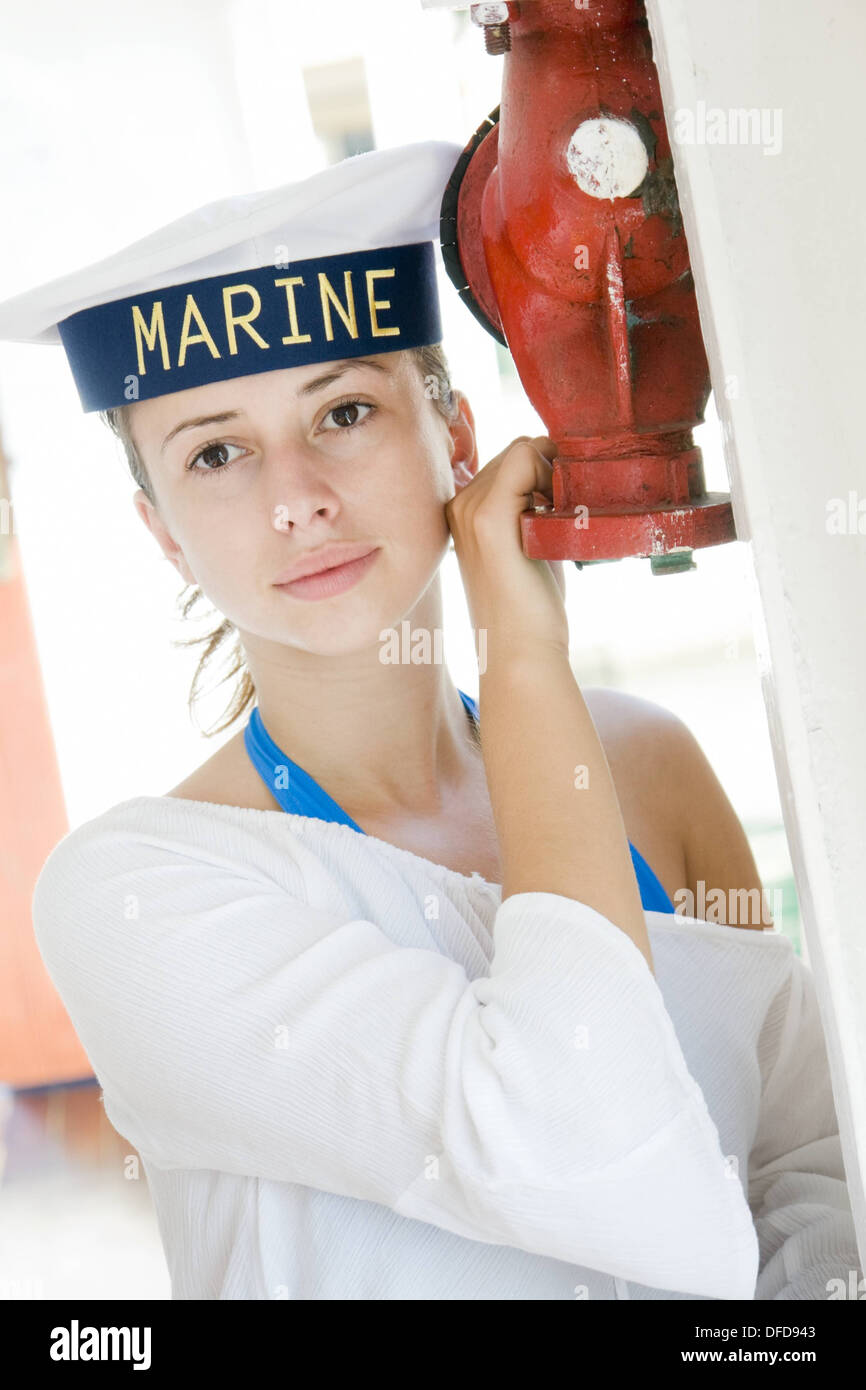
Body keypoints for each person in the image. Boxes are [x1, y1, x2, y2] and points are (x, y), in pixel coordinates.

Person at [0, 141, 859, 1301]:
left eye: (344, 410)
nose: (296, 495)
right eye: (216, 452)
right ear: (163, 535)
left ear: (453, 437)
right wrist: (525, 661)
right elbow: (569, 1135)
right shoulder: (134, 892)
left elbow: (804, 1163)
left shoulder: (648, 766)